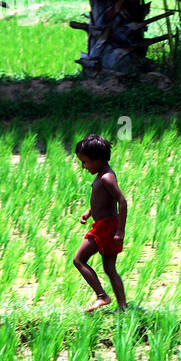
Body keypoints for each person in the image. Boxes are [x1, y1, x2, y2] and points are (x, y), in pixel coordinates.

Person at [73, 133, 128, 312]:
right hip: (107, 225)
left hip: (106, 227)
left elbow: (122, 201)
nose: (83, 166)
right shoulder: (103, 174)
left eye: (85, 162)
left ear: (98, 159)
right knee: (110, 268)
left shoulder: (106, 178)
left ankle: (102, 296)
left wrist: (121, 230)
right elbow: (105, 201)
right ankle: (123, 306)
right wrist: (89, 212)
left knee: (79, 260)